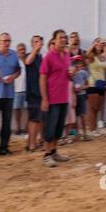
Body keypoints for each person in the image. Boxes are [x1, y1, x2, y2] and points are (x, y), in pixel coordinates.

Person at [40, 29, 73, 166]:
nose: (64, 40)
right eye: (61, 38)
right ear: (54, 40)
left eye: (65, 38)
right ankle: (47, 155)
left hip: (63, 98)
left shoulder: (66, 55)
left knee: (58, 129)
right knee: (50, 128)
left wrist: (71, 74)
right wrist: (45, 98)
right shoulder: (48, 56)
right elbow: (42, 78)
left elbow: (66, 74)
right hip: (52, 99)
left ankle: (54, 152)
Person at [0, 32, 22, 158]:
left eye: (9, 40)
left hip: (9, 94)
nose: (7, 43)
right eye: (4, 41)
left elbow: (18, 70)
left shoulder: (13, 54)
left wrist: (13, 77)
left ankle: (4, 147)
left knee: (7, 123)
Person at [23, 34, 45, 152]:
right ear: (32, 44)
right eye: (35, 42)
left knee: (37, 119)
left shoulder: (41, 57)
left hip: (40, 92)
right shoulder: (29, 55)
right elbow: (27, 62)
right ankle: (32, 145)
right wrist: (35, 50)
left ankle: (31, 143)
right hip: (32, 93)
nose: (37, 44)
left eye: (39, 42)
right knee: (34, 120)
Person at [87, 40, 106, 130]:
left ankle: (94, 128)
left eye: (101, 43)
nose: (100, 44)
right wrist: (93, 45)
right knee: (93, 108)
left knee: (98, 108)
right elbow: (86, 55)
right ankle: (92, 129)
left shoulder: (103, 57)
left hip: (101, 84)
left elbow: (104, 71)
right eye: (98, 42)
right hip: (93, 83)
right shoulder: (92, 56)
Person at [71, 56, 91, 141]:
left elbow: (88, 84)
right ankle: (76, 134)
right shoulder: (71, 73)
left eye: (78, 62)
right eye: (75, 62)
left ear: (81, 64)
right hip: (74, 95)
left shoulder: (84, 73)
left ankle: (85, 134)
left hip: (81, 95)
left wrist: (82, 87)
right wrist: (74, 89)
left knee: (82, 115)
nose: (77, 64)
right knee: (75, 116)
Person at [13, 41, 29, 139]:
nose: (22, 51)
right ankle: (18, 127)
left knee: (27, 109)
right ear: (17, 51)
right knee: (17, 109)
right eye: (20, 49)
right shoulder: (15, 61)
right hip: (17, 89)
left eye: (23, 49)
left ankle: (26, 127)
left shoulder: (28, 61)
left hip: (27, 89)